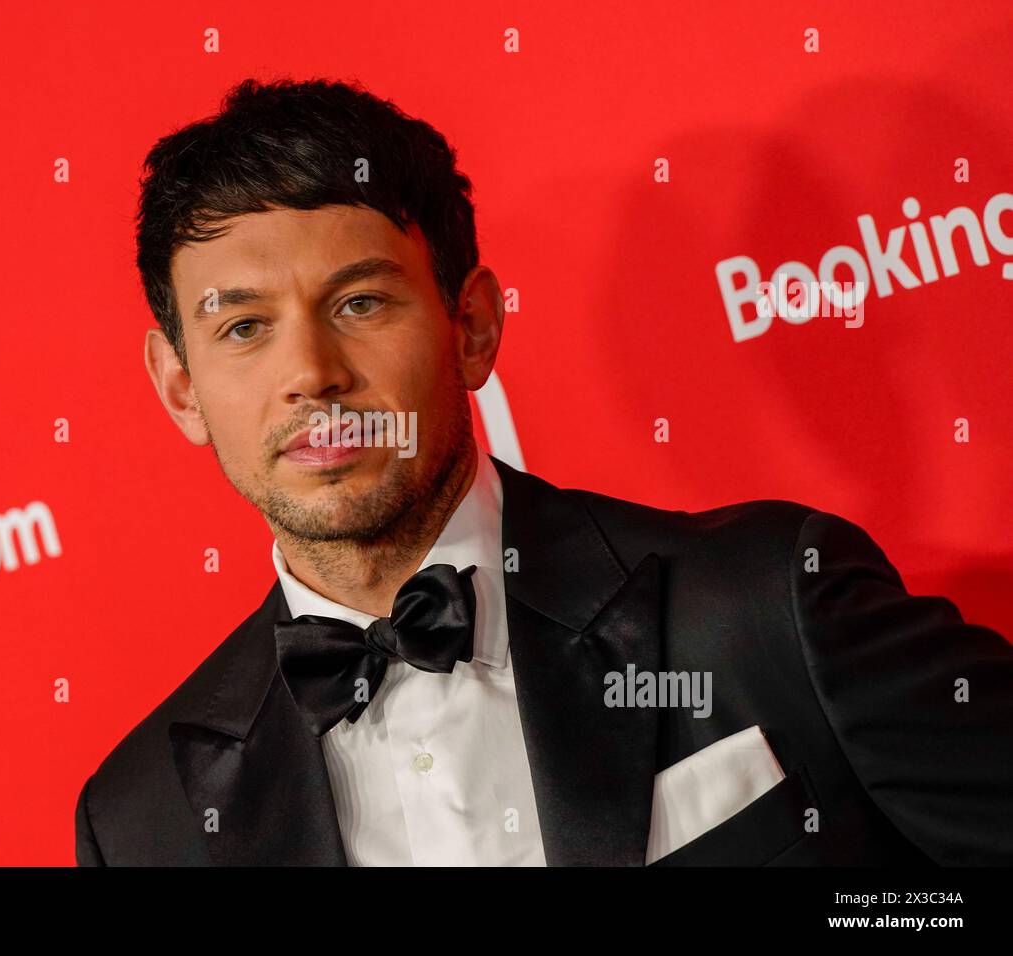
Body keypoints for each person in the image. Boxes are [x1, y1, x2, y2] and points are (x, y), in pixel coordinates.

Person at [75, 76, 1013, 866]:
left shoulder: (768, 607)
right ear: (180, 388)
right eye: (244, 328)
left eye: (359, 301)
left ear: (472, 326)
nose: (311, 374)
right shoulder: (141, 823)